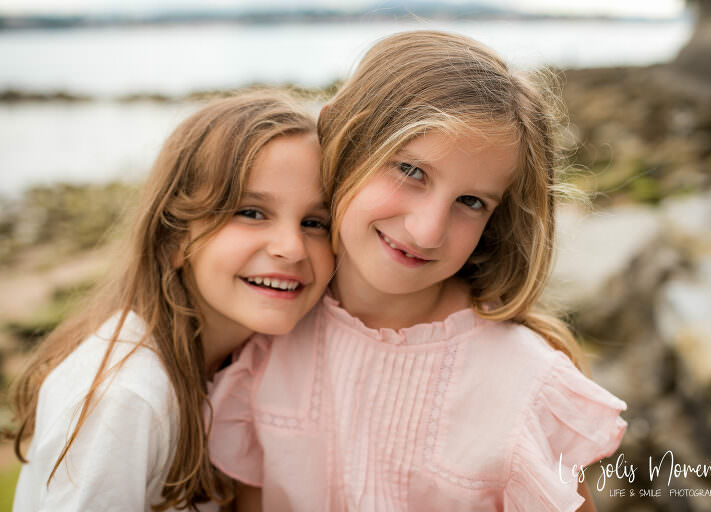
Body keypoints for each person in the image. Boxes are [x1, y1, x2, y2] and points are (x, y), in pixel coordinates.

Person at [207, 31, 627, 511]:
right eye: (410, 171)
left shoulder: (522, 383)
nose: (428, 231)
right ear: (339, 138)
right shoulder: (268, 330)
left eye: (471, 202)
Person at [9, 91, 334, 511]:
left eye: (314, 222)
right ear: (173, 238)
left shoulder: (245, 366)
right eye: (251, 212)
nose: (292, 248)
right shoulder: (125, 398)